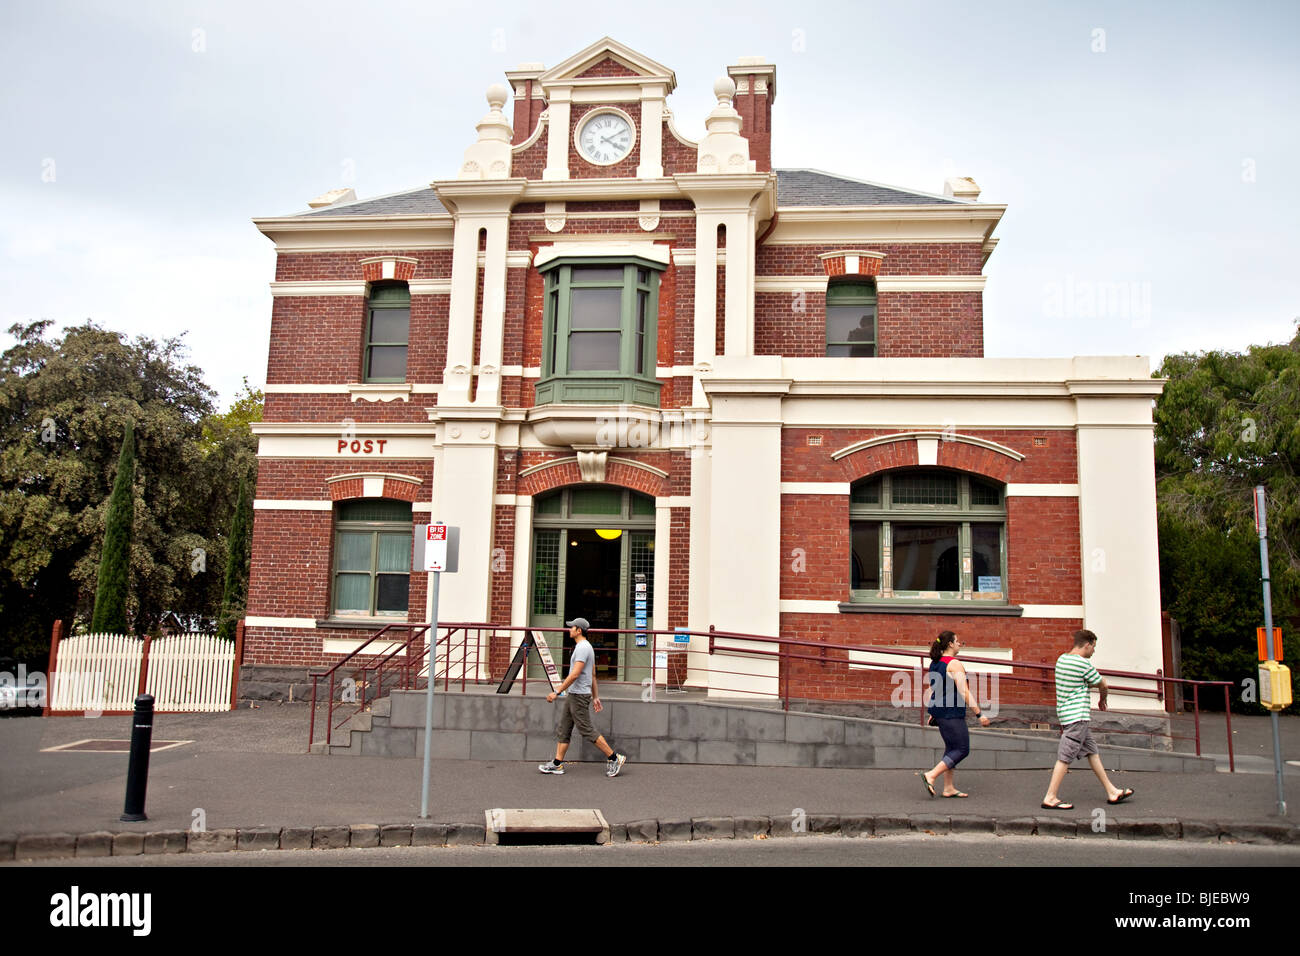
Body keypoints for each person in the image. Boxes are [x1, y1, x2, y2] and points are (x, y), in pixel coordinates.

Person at [1040, 629, 1134, 810]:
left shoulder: (1062, 660)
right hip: (1078, 717)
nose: (1094, 651)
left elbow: (1080, 681)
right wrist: (1103, 698)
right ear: (1087, 644)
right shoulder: (1083, 664)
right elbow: (1102, 683)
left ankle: (1112, 791)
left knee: (1092, 752)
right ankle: (1050, 797)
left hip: (1066, 715)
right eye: (1094, 647)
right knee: (1065, 757)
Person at [538, 617, 627, 777]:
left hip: (578, 695)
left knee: (586, 730)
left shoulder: (583, 648)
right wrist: (596, 697)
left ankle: (614, 758)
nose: (569, 629)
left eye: (572, 627)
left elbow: (575, 674)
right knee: (564, 728)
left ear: (579, 630)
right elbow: (592, 674)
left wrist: (557, 691)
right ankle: (557, 764)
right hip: (575, 694)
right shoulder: (585, 647)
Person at [920, 631, 990, 798]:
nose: (960, 644)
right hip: (951, 713)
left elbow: (933, 689)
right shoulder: (954, 664)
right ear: (950, 644)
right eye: (958, 641)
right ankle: (931, 775)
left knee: (951, 748)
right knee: (962, 749)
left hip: (940, 712)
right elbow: (964, 691)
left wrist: (933, 712)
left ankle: (948, 788)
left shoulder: (935, 663)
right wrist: (979, 714)